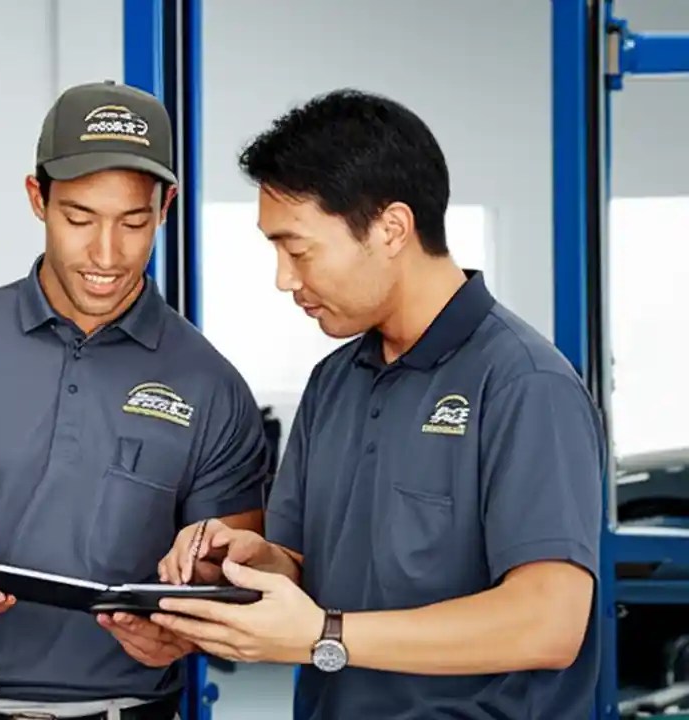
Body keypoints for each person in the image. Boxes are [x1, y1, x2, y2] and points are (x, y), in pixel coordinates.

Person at [150, 89, 605, 719]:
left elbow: (549, 624)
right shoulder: (334, 382)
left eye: (298, 249)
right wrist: (249, 562)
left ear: (392, 229)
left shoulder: (524, 383)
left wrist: (325, 635)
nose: (284, 278)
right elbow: (309, 569)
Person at [0, 79, 269, 720]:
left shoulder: (214, 386)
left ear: (166, 207)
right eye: (79, 218)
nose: (106, 254)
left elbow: (235, 578)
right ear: (38, 198)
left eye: (133, 222)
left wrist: (187, 629)